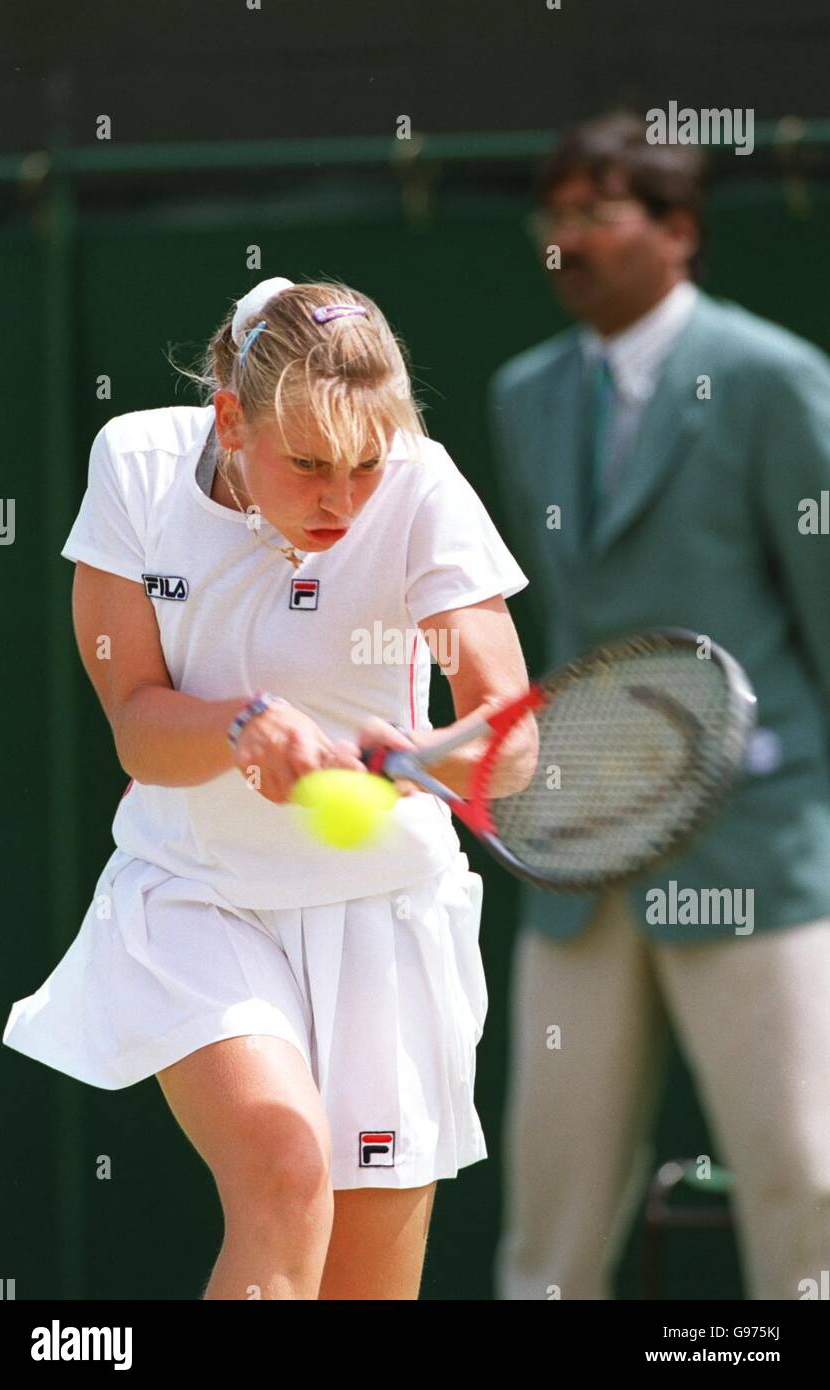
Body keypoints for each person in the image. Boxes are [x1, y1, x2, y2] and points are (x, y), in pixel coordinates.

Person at [2, 275, 533, 1300]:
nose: (344, 498)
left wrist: (431, 756)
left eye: (368, 463)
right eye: (310, 464)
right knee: (285, 1173)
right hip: (195, 893)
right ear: (231, 419)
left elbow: (507, 728)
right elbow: (140, 728)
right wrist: (243, 726)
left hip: (383, 910)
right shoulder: (137, 467)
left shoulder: (423, 485)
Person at [488, 112, 830, 1300]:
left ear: (678, 232)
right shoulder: (523, 395)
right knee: (551, 1208)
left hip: (756, 836)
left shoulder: (775, 380)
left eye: (597, 213)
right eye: (554, 215)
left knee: (802, 1185)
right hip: (583, 856)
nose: (565, 239)